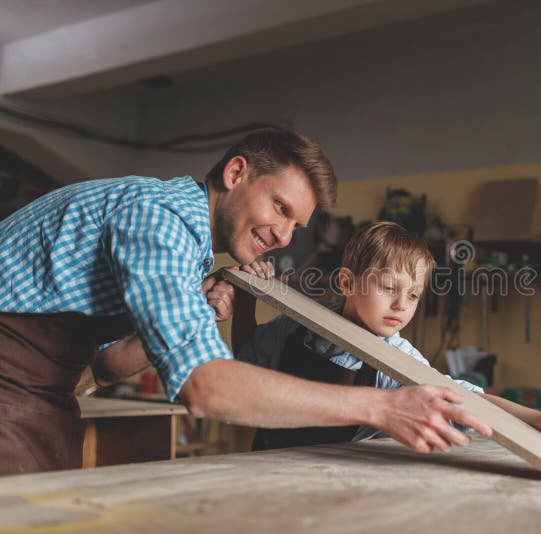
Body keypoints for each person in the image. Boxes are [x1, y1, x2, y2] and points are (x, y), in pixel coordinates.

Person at [0, 128, 490, 475]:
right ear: (236, 172)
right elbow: (204, 388)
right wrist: (382, 408)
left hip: (41, 396)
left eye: (295, 226)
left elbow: (105, 367)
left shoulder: (190, 253)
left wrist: (199, 307)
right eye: (280, 208)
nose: (282, 236)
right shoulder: (159, 220)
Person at [233, 222, 541, 456]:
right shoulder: (298, 325)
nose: (401, 305)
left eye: (413, 295)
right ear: (346, 282)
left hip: (331, 484)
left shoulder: (395, 360)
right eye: (389, 287)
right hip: (261, 465)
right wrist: (247, 302)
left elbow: (467, 399)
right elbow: (244, 362)